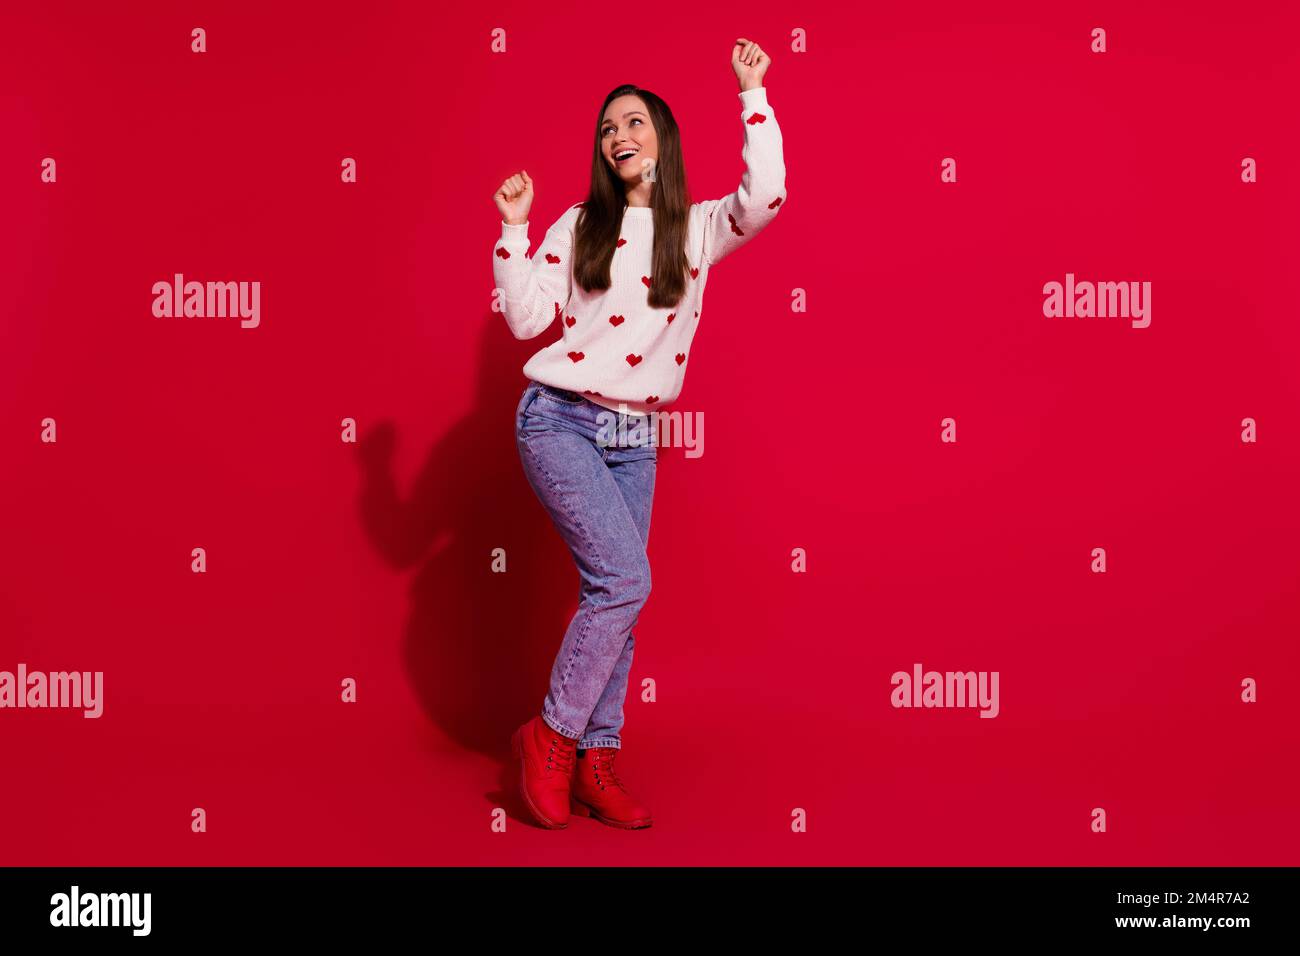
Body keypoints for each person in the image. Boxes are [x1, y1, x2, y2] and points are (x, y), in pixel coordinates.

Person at [491, 37, 787, 829]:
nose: (617, 136)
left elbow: (767, 196)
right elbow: (524, 318)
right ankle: (551, 735)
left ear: (662, 139)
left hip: (636, 435)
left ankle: (597, 759)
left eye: (633, 123)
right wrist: (514, 233)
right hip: (559, 419)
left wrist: (752, 94)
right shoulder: (579, 223)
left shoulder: (696, 228)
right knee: (625, 582)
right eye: (606, 128)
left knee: (615, 594)